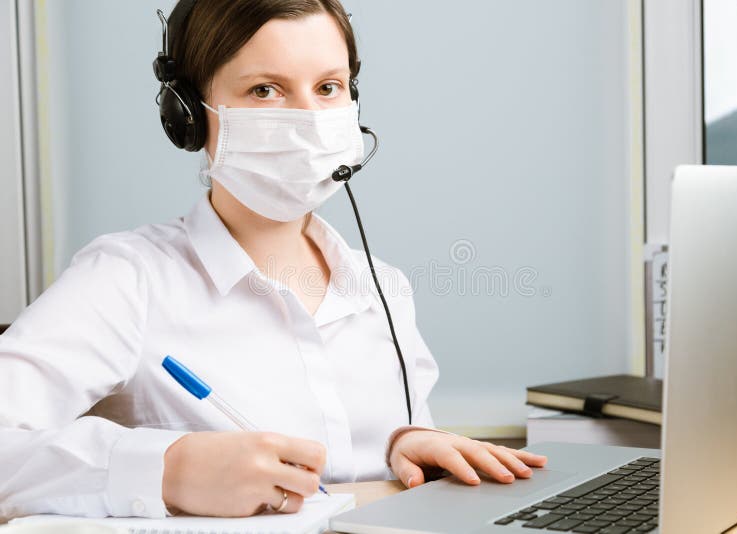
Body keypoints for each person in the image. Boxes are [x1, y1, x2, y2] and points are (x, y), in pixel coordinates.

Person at [0, 0, 546, 520]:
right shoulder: (127, 279)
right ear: (189, 115)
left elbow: (382, 480)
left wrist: (407, 443)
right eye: (266, 90)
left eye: (328, 87)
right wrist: (166, 470)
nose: (308, 119)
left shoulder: (383, 287)